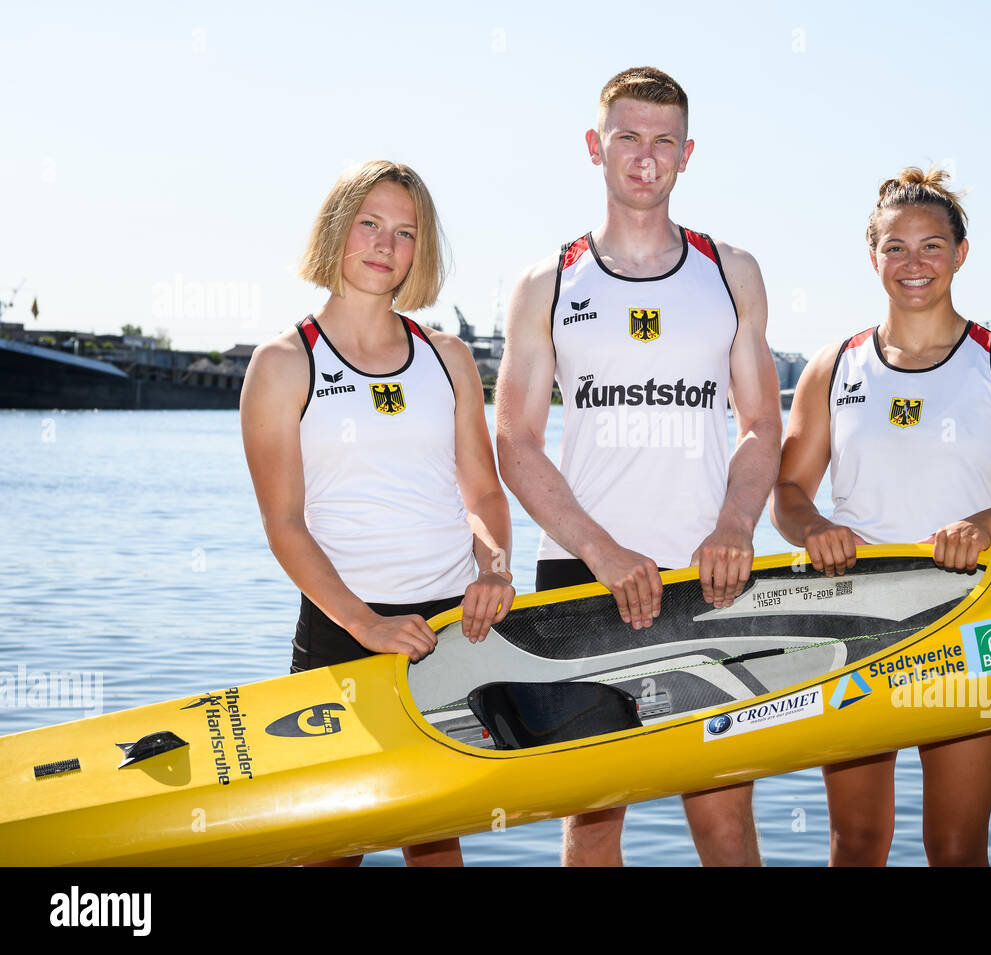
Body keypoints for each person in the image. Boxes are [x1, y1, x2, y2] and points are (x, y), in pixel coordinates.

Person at [495, 67, 783, 866]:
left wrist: (733, 525)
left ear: (687, 155)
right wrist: (602, 551)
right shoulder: (545, 284)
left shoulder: (732, 271)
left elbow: (762, 424)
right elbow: (515, 439)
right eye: (628, 137)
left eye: (663, 141)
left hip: (708, 575)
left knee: (724, 813)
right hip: (585, 579)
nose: (645, 157)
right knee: (592, 821)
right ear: (596, 146)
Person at [770, 166, 991, 866]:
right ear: (873, 257)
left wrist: (989, 524)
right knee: (857, 842)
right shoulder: (834, 366)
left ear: (961, 253)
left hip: (972, 617)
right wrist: (816, 530)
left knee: (953, 845)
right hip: (854, 622)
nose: (913, 263)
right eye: (895, 247)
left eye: (931, 246)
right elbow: (788, 494)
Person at [240, 160, 515, 866]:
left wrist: (494, 566)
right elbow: (285, 524)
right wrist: (366, 624)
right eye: (369, 223)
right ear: (337, 229)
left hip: (451, 628)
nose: (384, 246)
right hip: (344, 628)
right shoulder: (282, 363)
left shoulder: (447, 358)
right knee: (333, 846)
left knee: (435, 842)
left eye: (405, 232)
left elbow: (482, 491)